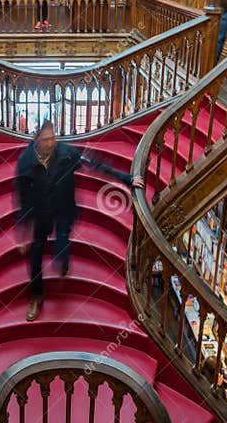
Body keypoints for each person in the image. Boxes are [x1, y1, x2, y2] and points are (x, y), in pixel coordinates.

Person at [15, 120, 144, 322]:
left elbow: (96, 166)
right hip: (40, 214)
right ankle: (36, 296)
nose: (51, 143)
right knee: (35, 258)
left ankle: (63, 262)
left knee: (62, 244)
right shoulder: (26, 162)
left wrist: (126, 179)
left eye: (53, 138)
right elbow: (22, 198)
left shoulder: (67, 153)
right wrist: (24, 231)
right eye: (46, 139)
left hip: (64, 208)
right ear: (37, 138)